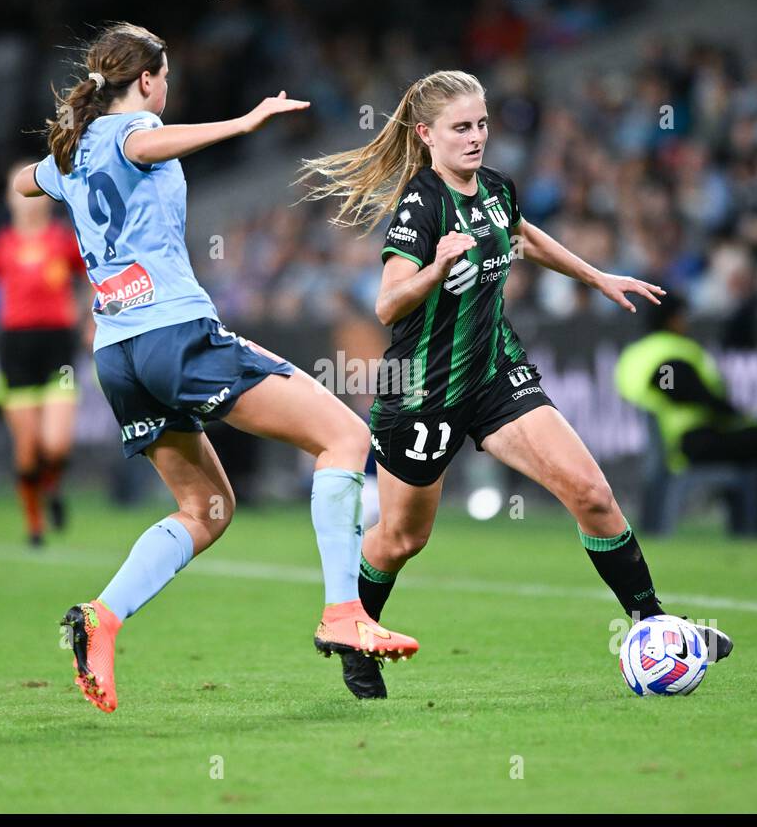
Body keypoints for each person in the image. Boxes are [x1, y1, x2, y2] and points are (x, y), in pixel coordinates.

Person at [16, 22, 418, 712]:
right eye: (163, 77)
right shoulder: (127, 132)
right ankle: (344, 611)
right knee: (346, 439)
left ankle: (101, 618)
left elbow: (28, 184)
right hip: (175, 335)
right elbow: (144, 142)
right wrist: (246, 121)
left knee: (206, 507)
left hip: (118, 354)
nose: (166, 89)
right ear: (145, 80)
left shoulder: (74, 151)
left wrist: (62, 169)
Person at [300, 70, 733, 699]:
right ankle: (350, 628)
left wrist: (597, 276)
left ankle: (653, 620)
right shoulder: (421, 207)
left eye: (481, 124)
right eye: (460, 128)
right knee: (401, 538)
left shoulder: (498, 190)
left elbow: (521, 235)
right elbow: (389, 304)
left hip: (497, 376)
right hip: (424, 391)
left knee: (591, 493)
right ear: (426, 135)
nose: (475, 138)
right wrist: (438, 265)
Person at [615, 291, 757, 534]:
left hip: (671, 445)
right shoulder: (672, 351)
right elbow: (690, 392)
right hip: (696, 440)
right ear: (672, 319)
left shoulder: (634, 355)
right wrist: (738, 416)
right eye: (682, 316)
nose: (686, 321)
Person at [0, 165, 91, 546]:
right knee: (28, 448)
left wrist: (91, 320)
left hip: (59, 346)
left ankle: (51, 486)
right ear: (9, 198)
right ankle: (34, 526)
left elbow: (90, 281)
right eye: (17, 191)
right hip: (16, 349)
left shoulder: (64, 240)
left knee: (56, 443)